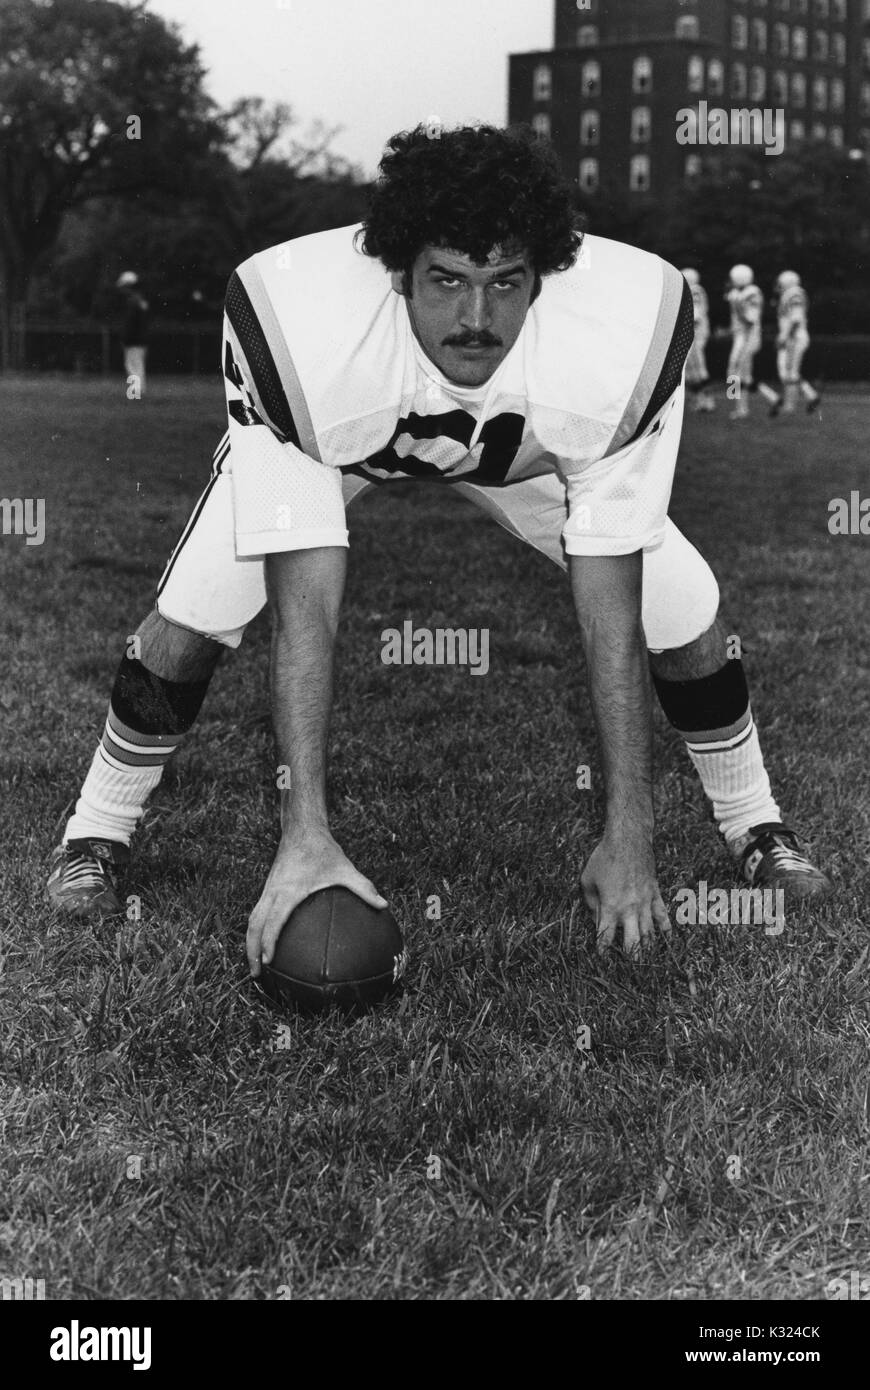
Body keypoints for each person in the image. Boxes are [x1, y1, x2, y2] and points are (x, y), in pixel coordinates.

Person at [47, 126, 831, 963]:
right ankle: (95, 832)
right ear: (397, 274)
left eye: (506, 283)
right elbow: (307, 611)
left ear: (545, 276)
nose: (476, 317)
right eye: (447, 280)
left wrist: (629, 836)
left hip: (521, 454)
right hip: (340, 438)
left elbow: (611, 614)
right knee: (196, 610)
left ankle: (756, 824)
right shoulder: (309, 335)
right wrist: (304, 833)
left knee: (685, 610)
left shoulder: (615, 339)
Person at [725, 264, 778, 420]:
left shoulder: (752, 293)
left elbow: (750, 320)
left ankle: (739, 406)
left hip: (749, 338)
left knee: (735, 369)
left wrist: (737, 306)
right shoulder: (737, 293)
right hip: (741, 337)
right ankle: (772, 398)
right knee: (744, 375)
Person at [768, 271, 821, 417]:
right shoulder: (791, 294)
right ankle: (810, 396)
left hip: (794, 338)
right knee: (790, 373)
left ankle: (790, 405)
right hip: (793, 337)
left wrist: (784, 336)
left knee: (790, 373)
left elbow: (796, 318)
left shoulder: (794, 293)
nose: (778, 286)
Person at [681, 268, 715, 413]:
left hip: (696, 334)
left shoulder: (695, 290)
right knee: (692, 370)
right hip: (694, 334)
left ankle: (708, 400)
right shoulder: (694, 289)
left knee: (699, 368)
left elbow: (696, 316)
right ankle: (699, 401)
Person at [116, 271, 149, 397]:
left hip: (134, 339)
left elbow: (130, 323)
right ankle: (138, 391)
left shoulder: (132, 301)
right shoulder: (140, 300)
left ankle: (135, 393)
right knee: (138, 365)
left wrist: (125, 338)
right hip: (141, 338)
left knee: (133, 366)